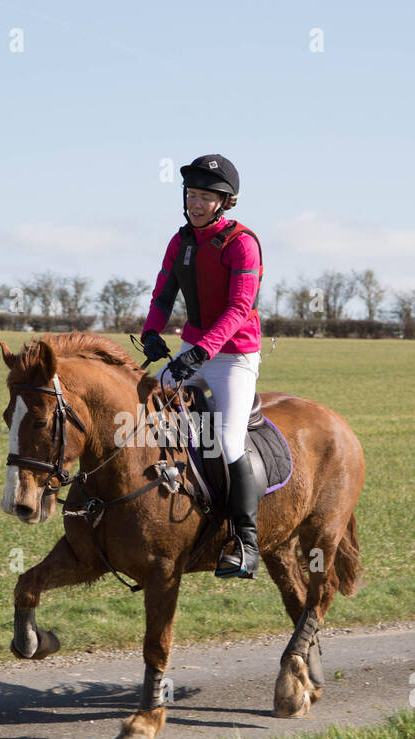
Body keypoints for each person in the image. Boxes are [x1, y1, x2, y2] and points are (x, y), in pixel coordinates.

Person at [140, 154, 264, 579]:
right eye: (191, 194)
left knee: (228, 442)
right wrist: (152, 332)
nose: (196, 203)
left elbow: (239, 307)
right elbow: (163, 292)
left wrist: (203, 350)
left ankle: (245, 543)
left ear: (225, 202)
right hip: (193, 347)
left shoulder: (242, 242)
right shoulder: (180, 241)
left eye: (206, 196)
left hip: (234, 357)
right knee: (140, 407)